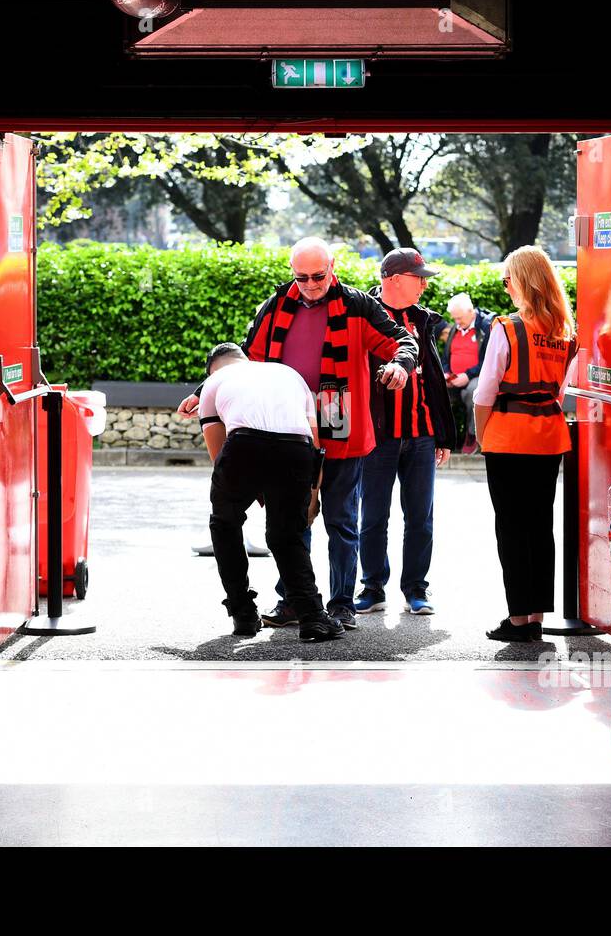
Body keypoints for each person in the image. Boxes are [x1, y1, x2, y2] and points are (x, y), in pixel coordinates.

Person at [178, 237, 418, 631]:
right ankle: (295, 601)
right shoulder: (276, 305)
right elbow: (244, 359)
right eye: (301, 277)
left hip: (342, 425)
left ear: (333, 267)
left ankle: (341, 604)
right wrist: (200, 391)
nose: (309, 284)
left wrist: (401, 367)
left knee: (341, 520)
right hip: (286, 428)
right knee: (289, 523)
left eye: (318, 276)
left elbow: (401, 341)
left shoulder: (358, 304)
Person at [198, 343, 344, 643]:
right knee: (286, 536)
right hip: (296, 449)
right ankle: (312, 617)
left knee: (225, 524)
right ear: (245, 360)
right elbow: (315, 441)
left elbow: (219, 454)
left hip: (243, 447)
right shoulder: (287, 373)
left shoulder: (213, 383)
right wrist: (313, 495)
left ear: (214, 369)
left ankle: (243, 614)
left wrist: (249, 487)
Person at [473, 245, 577, 643]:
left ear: (522, 281)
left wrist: (483, 436)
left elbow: (485, 393)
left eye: (507, 280)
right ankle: (535, 615)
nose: (505, 288)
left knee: (512, 529)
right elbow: (560, 391)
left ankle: (518, 620)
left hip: (508, 437)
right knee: (539, 525)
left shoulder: (507, 328)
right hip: (549, 437)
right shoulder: (565, 334)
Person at [356, 248, 456, 617]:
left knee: (420, 518)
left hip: (421, 436)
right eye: (419, 278)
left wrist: (443, 435)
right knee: (373, 517)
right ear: (395, 278)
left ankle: (416, 589)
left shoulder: (423, 320)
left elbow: (434, 381)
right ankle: (372, 588)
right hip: (377, 437)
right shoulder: (363, 315)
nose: (425, 284)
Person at [439, 292, 494, 454]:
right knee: (437, 391)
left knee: (474, 391)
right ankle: (445, 438)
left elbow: (489, 361)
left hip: (476, 377)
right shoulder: (455, 329)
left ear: (471, 312)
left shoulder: (485, 328)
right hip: (453, 378)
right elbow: (444, 357)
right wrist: (446, 372)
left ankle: (472, 434)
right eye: (454, 318)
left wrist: (468, 375)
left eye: (459, 318)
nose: (456, 322)